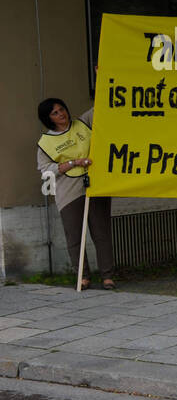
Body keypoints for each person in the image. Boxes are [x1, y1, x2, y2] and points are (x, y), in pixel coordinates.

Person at [36, 98, 115, 289]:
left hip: (95, 187)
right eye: (55, 113)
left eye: (62, 109)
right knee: (74, 237)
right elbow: (45, 170)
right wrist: (72, 163)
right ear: (48, 118)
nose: (61, 114)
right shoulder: (45, 142)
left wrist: (101, 75)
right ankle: (83, 276)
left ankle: (108, 276)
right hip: (68, 193)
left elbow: (102, 105)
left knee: (101, 233)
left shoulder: (83, 123)